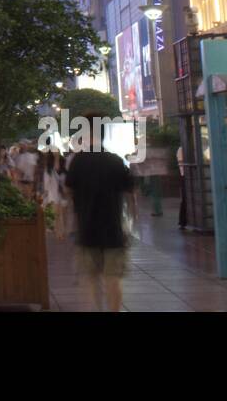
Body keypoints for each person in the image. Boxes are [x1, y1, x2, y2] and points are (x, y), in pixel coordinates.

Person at [64, 118, 136, 312]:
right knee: (113, 278)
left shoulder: (78, 161)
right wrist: (131, 224)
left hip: (87, 228)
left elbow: (69, 193)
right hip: (113, 228)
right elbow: (130, 195)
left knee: (91, 278)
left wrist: (70, 222)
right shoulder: (115, 160)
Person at [41, 149, 69, 241]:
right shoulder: (53, 171)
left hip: (54, 195)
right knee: (58, 216)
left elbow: (46, 186)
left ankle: (60, 233)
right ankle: (60, 234)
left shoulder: (49, 171)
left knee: (58, 216)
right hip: (56, 195)